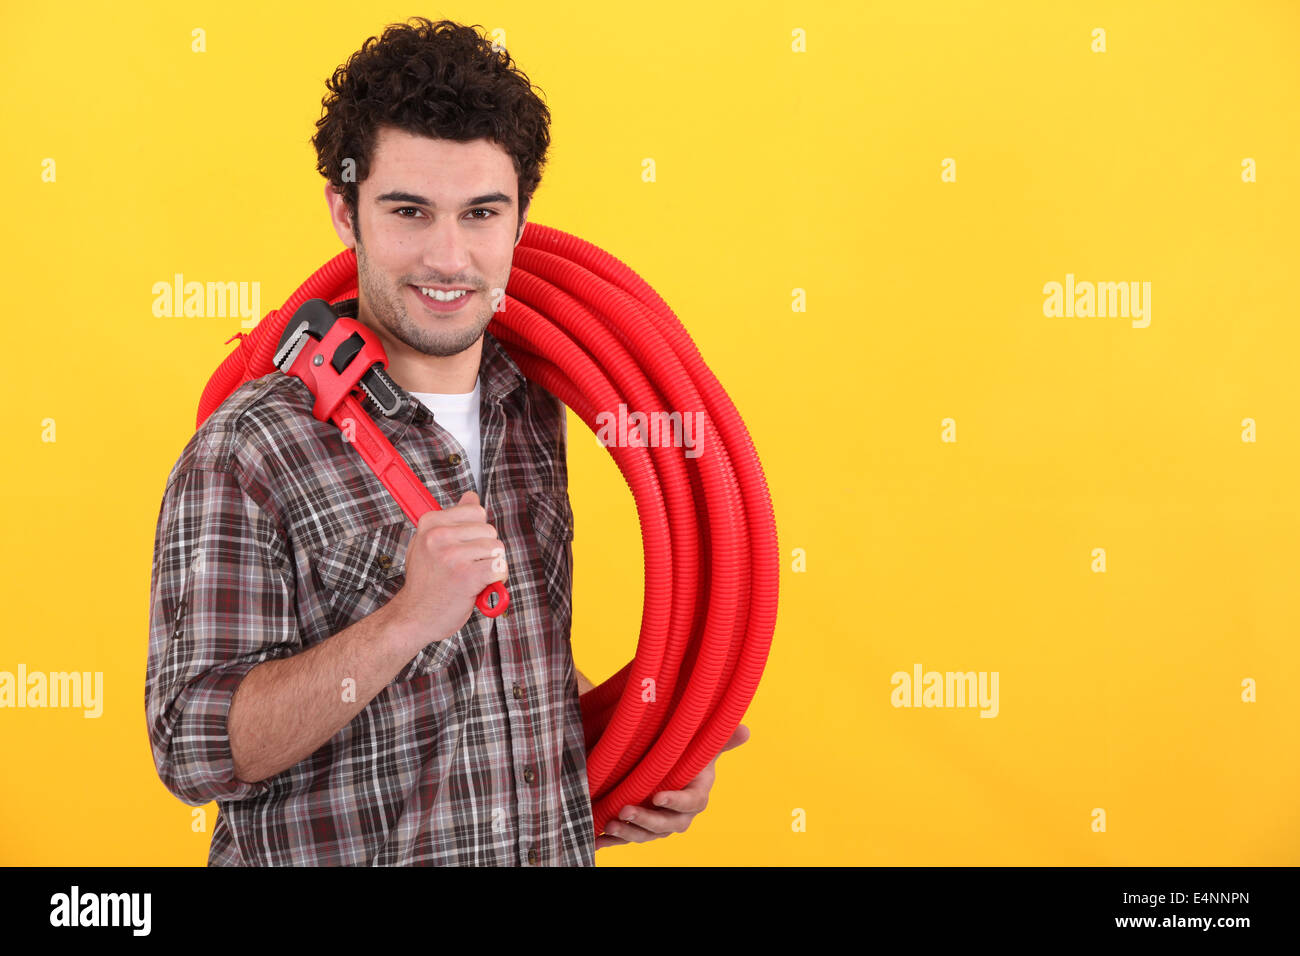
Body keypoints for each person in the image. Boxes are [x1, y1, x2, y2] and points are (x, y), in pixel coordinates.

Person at [145, 16, 747, 866]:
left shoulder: (533, 406)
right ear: (344, 212)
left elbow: (511, 653)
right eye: (409, 211)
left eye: (480, 213)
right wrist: (405, 621)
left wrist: (652, 747)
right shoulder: (251, 446)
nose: (448, 255)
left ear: (519, 219)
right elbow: (192, 747)